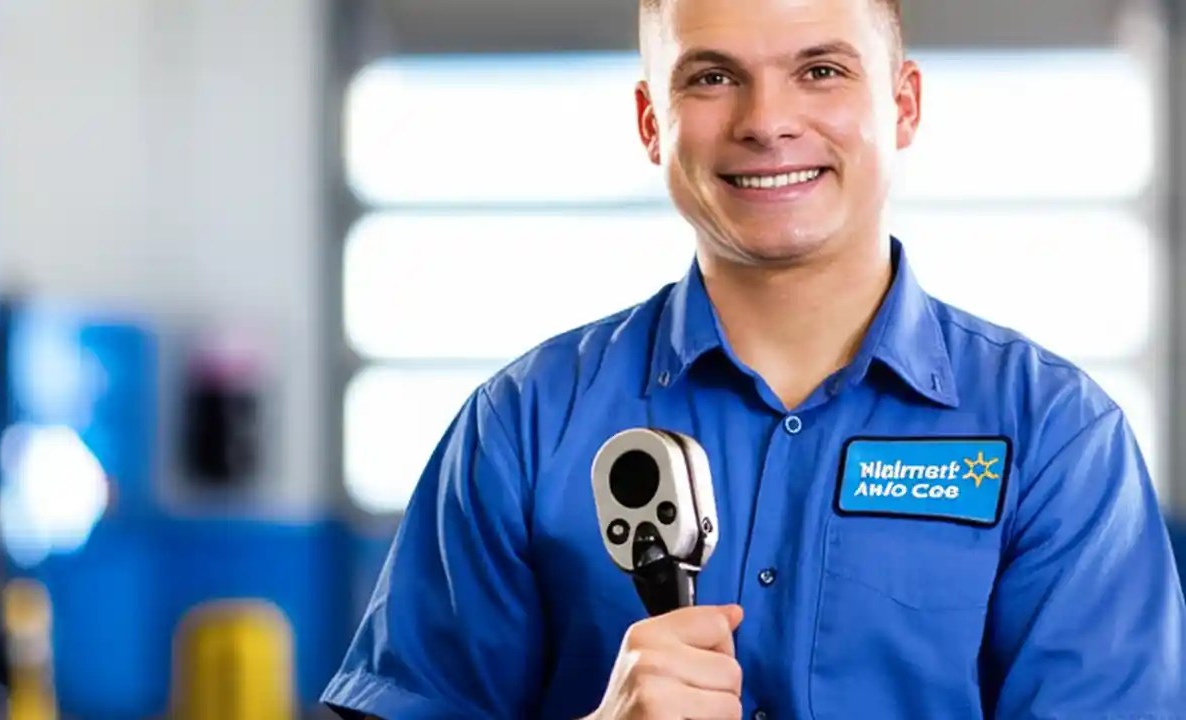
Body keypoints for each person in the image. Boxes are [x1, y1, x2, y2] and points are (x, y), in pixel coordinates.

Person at [322, 0, 1186, 717]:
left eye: (822, 70)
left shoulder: (1056, 438)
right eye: (712, 77)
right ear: (652, 122)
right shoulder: (523, 426)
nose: (767, 122)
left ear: (904, 105)